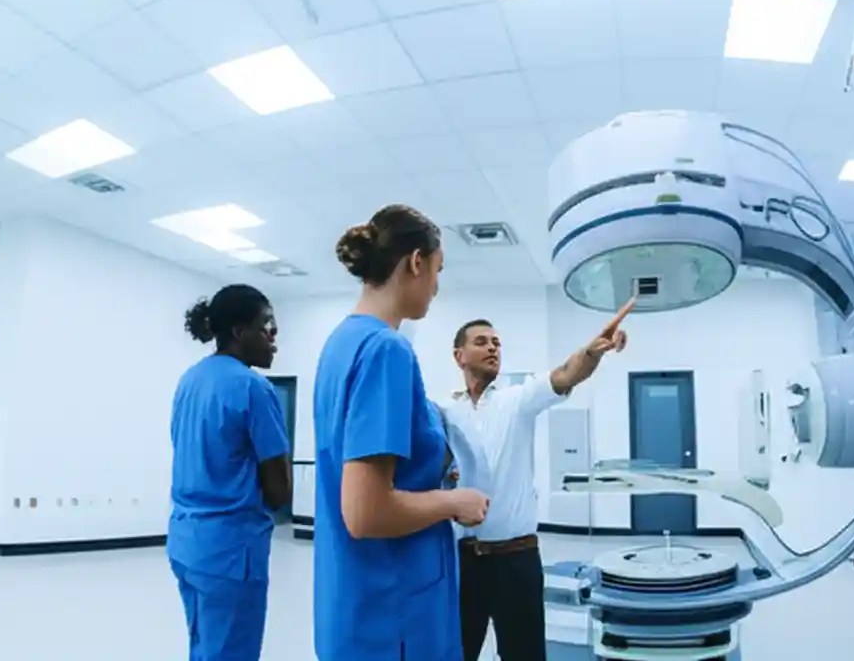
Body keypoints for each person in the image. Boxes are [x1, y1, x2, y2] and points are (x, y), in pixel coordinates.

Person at [313, 204, 491, 661]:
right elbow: (366, 512)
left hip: (355, 600)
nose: (436, 286)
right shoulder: (386, 350)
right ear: (416, 262)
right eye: (437, 270)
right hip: (394, 613)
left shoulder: (341, 343)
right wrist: (454, 502)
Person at [446, 300, 634, 661]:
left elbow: (565, 374)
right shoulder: (446, 411)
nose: (493, 348)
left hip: (516, 560)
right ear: (459, 356)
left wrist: (593, 352)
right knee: (457, 652)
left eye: (497, 343)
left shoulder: (517, 400)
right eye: (481, 342)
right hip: (464, 562)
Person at [166, 284, 292, 661]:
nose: (274, 336)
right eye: (266, 325)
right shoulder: (253, 387)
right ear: (239, 332)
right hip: (230, 553)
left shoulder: (190, 380)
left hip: (186, 543)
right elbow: (279, 491)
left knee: (204, 648)